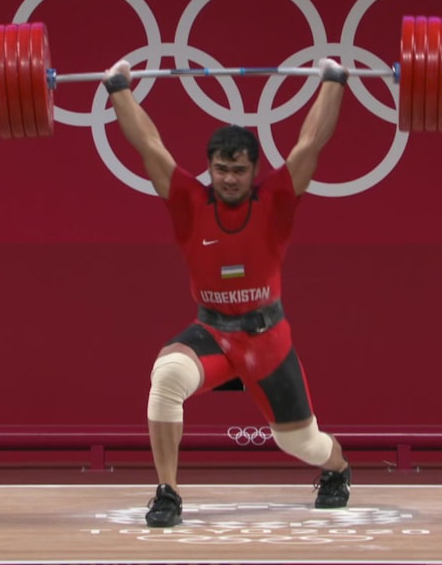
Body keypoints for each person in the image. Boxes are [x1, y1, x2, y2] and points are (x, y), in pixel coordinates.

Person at [102, 57, 353, 527]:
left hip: (267, 340)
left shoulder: (276, 201)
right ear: (210, 168)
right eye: (220, 169)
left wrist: (334, 80)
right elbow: (148, 144)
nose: (229, 178)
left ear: (253, 169)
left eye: (238, 170)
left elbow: (311, 142)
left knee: (302, 443)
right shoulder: (188, 204)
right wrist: (119, 88)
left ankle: (337, 469)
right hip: (212, 335)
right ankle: (167, 494)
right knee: (166, 378)